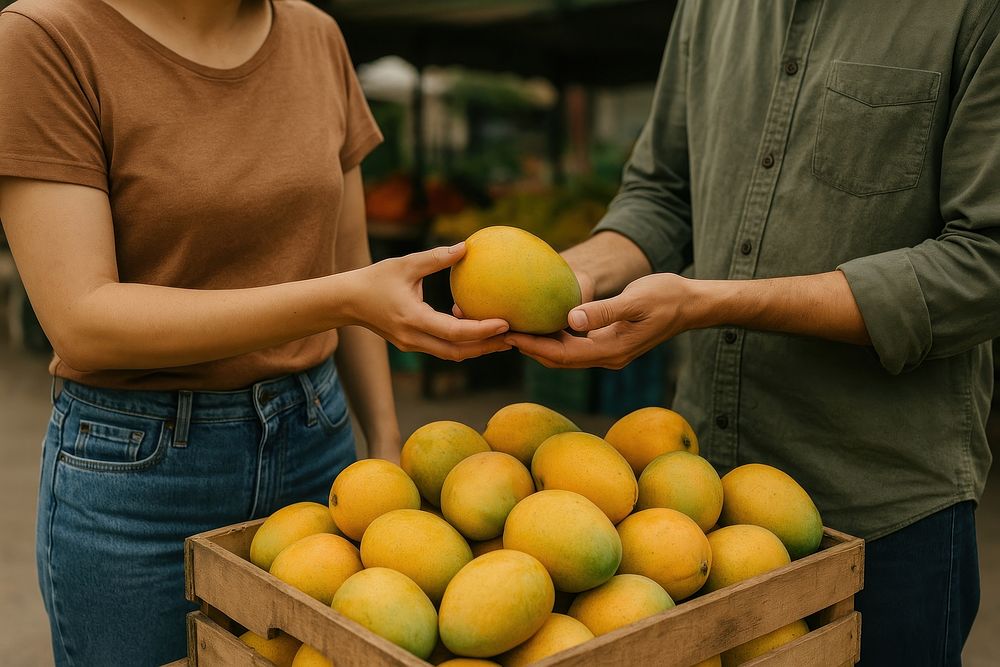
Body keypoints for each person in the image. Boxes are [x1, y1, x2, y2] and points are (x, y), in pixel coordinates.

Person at [0, 0, 507, 664]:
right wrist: (344, 298)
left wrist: (382, 438)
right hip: (141, 474)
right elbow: (83, 321)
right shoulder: (47, 39)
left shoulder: (315, 34)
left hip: (318, 443)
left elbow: (352, 259)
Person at [506, 1, 998, 665]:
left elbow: (982, 263)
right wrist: (571, 281)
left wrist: (710, 302)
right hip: (692, 505)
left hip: (882, 508)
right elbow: (662, 191)